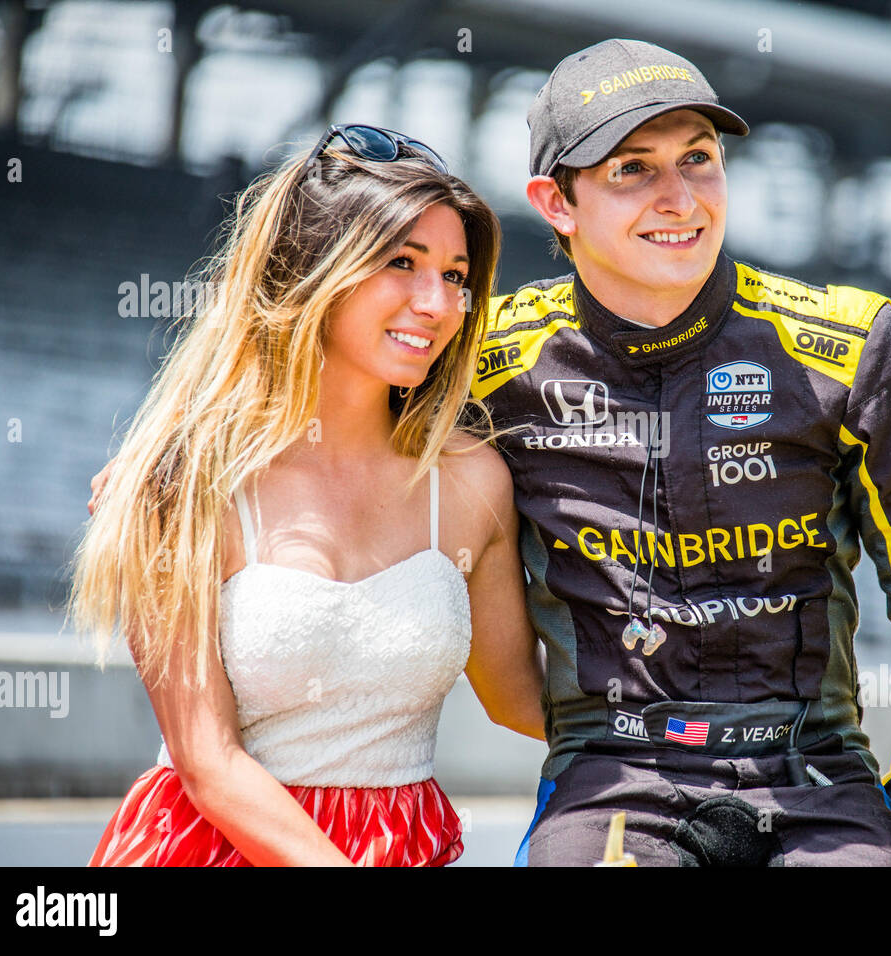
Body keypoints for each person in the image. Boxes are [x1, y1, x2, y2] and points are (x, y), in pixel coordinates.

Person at [472, 39, 891, 866]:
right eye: (631, 170)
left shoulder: (848, 344)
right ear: (557, 203)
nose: (680, 198)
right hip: (612, 772)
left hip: (816, 771)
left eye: (700, 159)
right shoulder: (485, 363)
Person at [72, 125, 545, 866]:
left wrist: (725, 724)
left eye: (456, 276)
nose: (439, 302)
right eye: (402, 262)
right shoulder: (182, 481)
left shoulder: (471, 480)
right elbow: (209, 763)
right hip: (219, 849)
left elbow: (521, 698)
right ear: (313, 271)